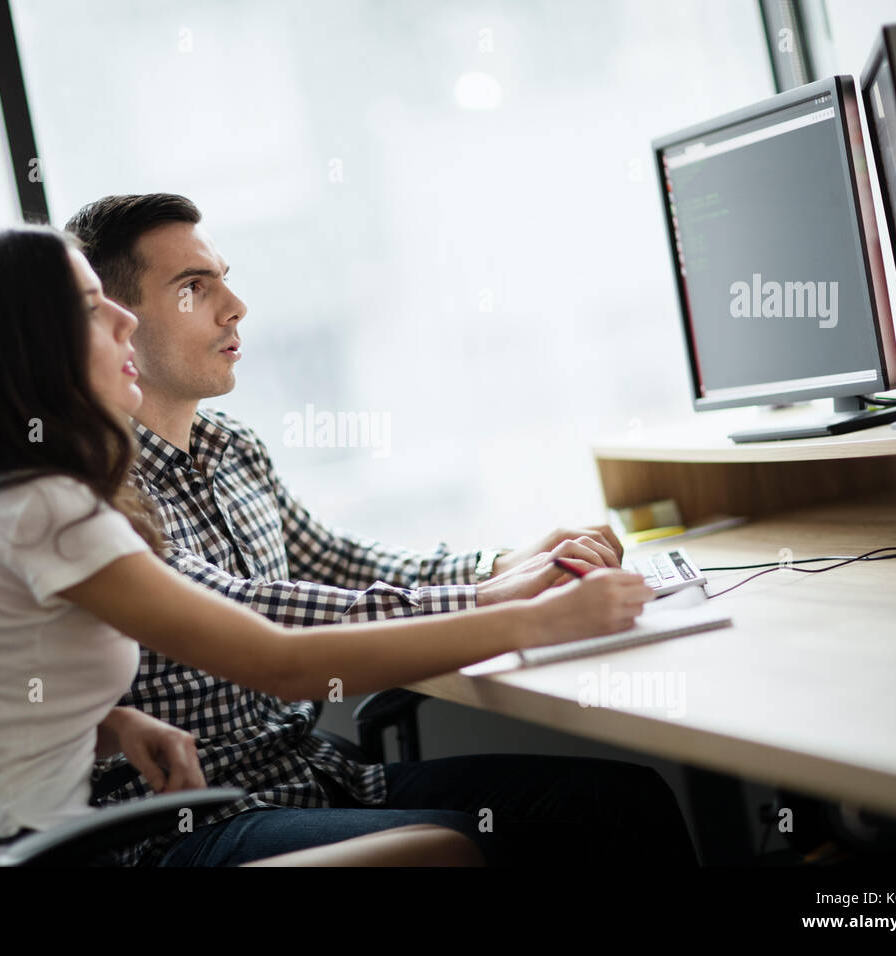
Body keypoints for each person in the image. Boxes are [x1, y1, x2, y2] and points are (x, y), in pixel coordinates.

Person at [0, 224, 654, 867]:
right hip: (82, 855)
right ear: (29, 350)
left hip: (32, 846)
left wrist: (113, 726)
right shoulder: (47, 507)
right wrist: (537, 621)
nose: (123, 323)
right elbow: (277, 658)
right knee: (440, 853)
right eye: (92, 308)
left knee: (611, 802)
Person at [63, 194, 700, 868]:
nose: (235, 306)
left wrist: (501, 563)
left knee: (615, 800)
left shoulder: (233, 446)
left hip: (310, 776)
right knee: (481, 843)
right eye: (195, 287)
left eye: (225, 276)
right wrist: (507, 602)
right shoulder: (96, 487)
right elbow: (265, 622)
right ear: (120, 320)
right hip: (193, 823)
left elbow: (337, 562)